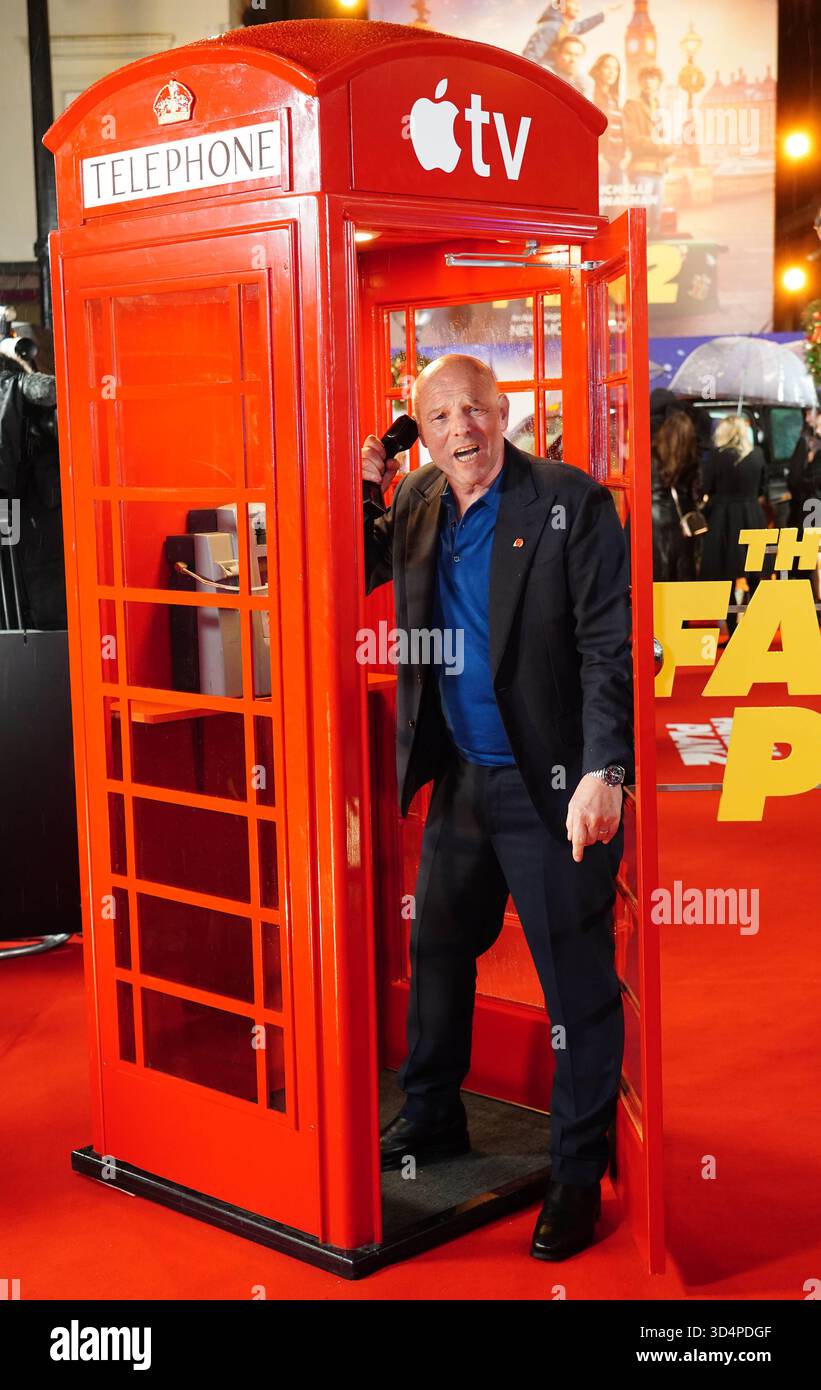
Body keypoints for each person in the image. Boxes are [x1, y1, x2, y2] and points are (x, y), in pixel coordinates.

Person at [362, 354, 633, 1261]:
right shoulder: (415, 502)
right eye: (437, 418)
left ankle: (572, 1172)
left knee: (574, 981)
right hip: (464, 776)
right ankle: (434, 1116)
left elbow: (608, 648)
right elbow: (346, 568)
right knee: (436, 948)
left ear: (504, 409)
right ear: (421, 433)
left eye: (473, 409)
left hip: (552, 783)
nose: (460, 429)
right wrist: (364, 488)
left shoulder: (570, 503)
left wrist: (608, 770)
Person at [698, 415, 767, 633]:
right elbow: (763, 489)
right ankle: (758, 623)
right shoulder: (758, 455)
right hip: (752, 516)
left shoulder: (717, 457)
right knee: (756, 571)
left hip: (723, 518)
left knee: (724, 573)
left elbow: (706, 487)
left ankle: (730, 626)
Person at [622, 67, 673, 235]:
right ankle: (639, 255)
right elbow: (633, 140)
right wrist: (661, 146)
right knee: (641, 217)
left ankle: (654, 256)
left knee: (656, 218)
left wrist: (665, 146)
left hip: (660, 169)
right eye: (645, 77)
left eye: (652, 78)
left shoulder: (662, 108)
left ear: (658, 82)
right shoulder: (632, 106)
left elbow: (671, 141)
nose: (648, 81)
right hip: (641, 168)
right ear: (639, 81)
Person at [650, 409, 700, 581]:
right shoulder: (690, 459)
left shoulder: (652, 454)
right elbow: (697, 491)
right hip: (681, 522)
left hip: (651, 520)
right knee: (681, 574)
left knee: (657, 574)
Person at [590, 53, 626, 189]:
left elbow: (620, 130)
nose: (612, 72)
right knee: (600, 206)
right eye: (607, 67)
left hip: (617, 159)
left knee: (614, 208)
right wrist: (597, 156)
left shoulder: (614, 99)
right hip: (601, 159)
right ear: (598, 70)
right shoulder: (591, 95)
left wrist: (625, 155)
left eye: (615, 69)